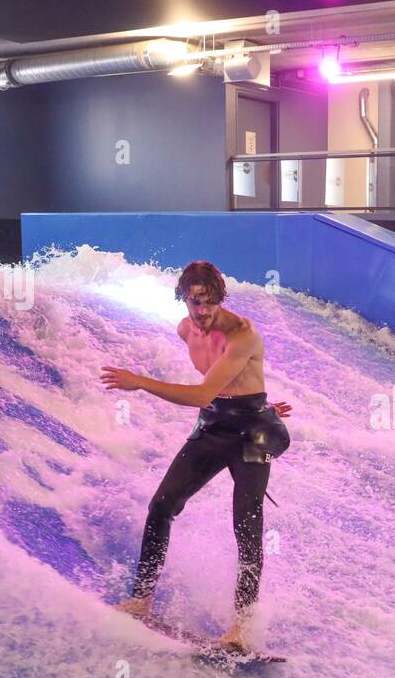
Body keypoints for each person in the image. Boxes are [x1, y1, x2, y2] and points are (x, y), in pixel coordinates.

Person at [101, 261, 291, 652]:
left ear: (220, 299)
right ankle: (141, 600)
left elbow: (203, 392)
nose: (201, 312)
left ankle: (240, 628)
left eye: (209, 303)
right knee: (161, 505)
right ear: (184, 300)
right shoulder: (184, 329)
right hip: (214, 427)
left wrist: (139, 382)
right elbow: (220, 391)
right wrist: (243, 399)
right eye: (194, 303)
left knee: (246, 522)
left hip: (253, 432)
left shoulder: (242, 333)